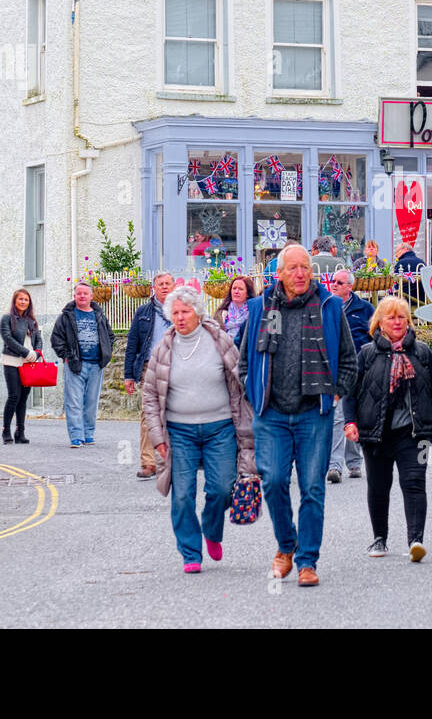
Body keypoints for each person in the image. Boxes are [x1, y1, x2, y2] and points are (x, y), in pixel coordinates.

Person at [236, 244, 358, 587]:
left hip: (313, 415)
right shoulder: (261, 307)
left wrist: (336, 392)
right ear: (279, 274)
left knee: (312, 488)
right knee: (273, 481)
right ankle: (286, 544)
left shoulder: (330, 307)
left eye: (306, 267)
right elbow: (244, 361)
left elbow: (349, 360)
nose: (301, 273)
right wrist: (253, 391)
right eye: (293, 268)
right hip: (271, 415)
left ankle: (307, 561)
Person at [143, 286, 255, 573]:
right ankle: (190, 552)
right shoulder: (163, 348)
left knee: (221, 489)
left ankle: (211, 529)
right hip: (179, 432)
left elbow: (242, 380)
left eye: (185, 311)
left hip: (220, 428)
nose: (180, 317)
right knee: (182, 495)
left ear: (198, 312)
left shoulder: (219, 340)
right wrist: (157, 437)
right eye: (175, 313)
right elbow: (150, 396)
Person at [343, 295, 432, 562]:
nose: (397, 321)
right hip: (375, 433)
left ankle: (416, 540)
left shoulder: (422, 352)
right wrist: (350, 422)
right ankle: (379, 539)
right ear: (379, 323)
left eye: (402, 317)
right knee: (378, 487)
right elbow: (351, 393)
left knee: (415, 483)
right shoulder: (367, 354)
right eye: (391, 317)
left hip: (417, 433)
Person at [50, 281, 114, 448]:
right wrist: (66, 356)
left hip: (96, 365)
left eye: (86, 293)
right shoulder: (67, 316)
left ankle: (88, 434)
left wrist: (106, 354)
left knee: (91, 401)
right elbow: (56, 338)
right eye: (79, 293)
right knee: (74, 402)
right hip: (76, 365)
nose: (82, 296)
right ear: (75, 296)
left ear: (91, 296)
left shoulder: (99, 315)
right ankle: (76, 437)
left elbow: (110, 337)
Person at [124, 271, 175, 480]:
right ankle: (148, 463)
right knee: (148, 415)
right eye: (160, 284)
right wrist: (128, 375)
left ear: (174, 286)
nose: (164, 287)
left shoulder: (181, 309)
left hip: (176, 367)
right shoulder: (143, 311)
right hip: (149, 368)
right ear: (154, 288)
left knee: (175, 414)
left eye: (167, 283)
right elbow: (132, 344)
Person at [325, 269, 373, 483]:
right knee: (337, 418)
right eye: (332, 281)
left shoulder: (365, 309)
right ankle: (335, 466)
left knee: (355, 416)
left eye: (339, 282)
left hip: (360, 370)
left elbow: (377, 335)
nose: (333, 284)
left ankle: (354, 462)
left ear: (350, 287)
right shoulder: (326, 307)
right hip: (335, 371)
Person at [0, 289, 44, 445]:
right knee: (13, 396)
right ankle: (6, 431)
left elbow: (39, 340)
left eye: (26, 299)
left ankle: (20, 432)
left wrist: (37, 354)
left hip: (29, 362)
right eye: (21, 299)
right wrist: (26, 352)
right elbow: (8, 339)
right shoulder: (7, 319)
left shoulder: (32, 321)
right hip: (12, 360)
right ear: (15, 301)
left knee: (23, 398)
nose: (23, 302)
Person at [214, 275, 256, 344]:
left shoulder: (254, 313)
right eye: (234, 288)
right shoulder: (221, 314)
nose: (236, 291)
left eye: (240, 289)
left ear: (248, 293)